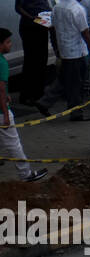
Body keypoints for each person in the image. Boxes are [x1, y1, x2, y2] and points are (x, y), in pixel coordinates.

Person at [0, 28, 48, 182]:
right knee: (13, 143)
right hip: (1, 111)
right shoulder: (2, 63)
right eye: (7, 42)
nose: (10, 45)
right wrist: (6, 114)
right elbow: (0, 89)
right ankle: (25, 174)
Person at [50, 0, 90, 121]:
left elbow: (54, 28)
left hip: (65, 49)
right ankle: (76, 111)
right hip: (76, 51)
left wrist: (57, 47)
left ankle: (46, 101)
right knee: (77, 84)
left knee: (66, 80)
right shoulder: (78, 9)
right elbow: (85, 32)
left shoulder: (57, 8)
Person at [14, 0, 51, 108]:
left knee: (42, 60)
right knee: (31, 61)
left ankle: (38, 93)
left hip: (43, 24)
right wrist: (32, 18)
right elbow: (18, 7)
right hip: (30, 27)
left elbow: (45, 2)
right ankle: (27, 94)